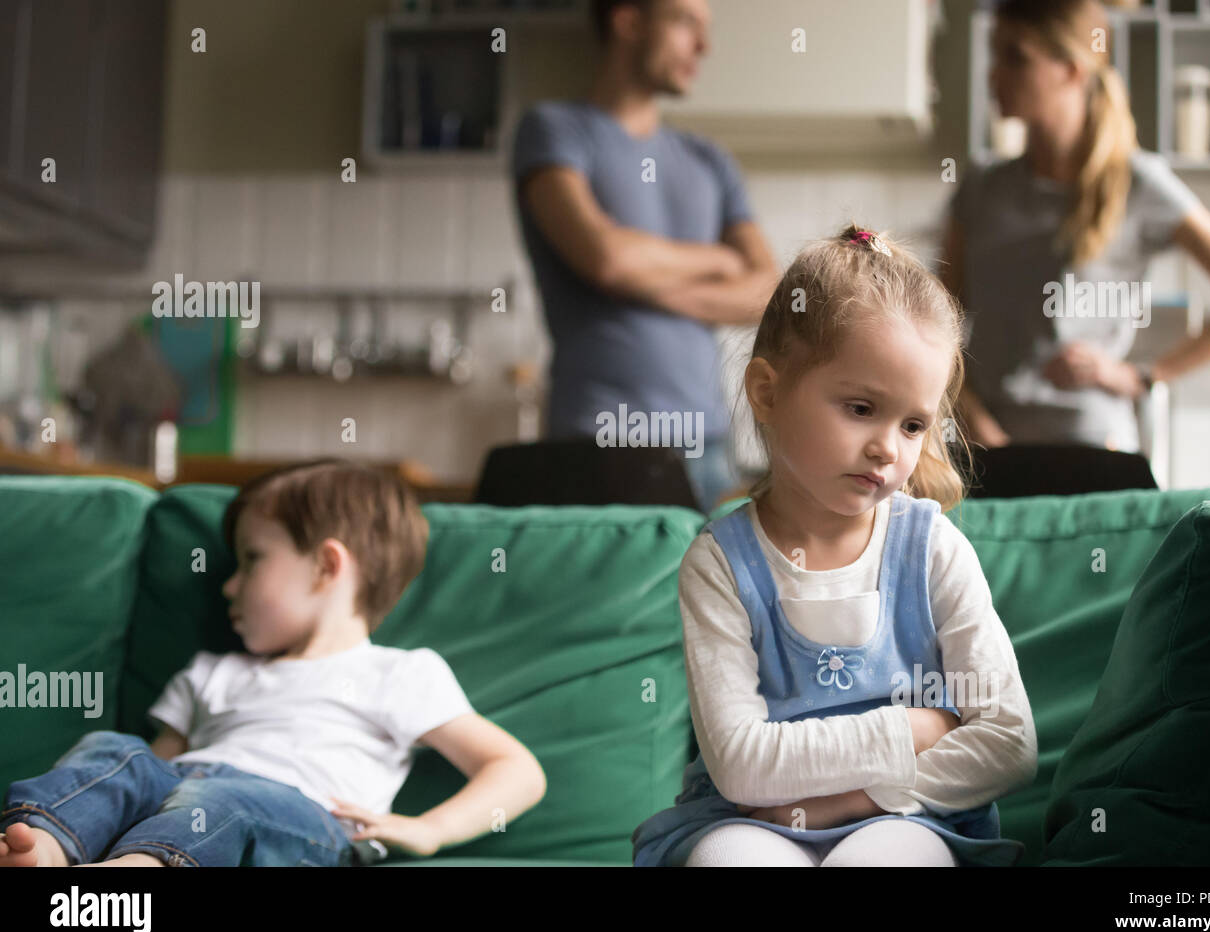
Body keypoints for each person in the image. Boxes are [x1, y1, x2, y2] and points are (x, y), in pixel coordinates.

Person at [631, 225, 1038, 866]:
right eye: (859, 408)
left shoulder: (933, 550)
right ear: (767, 392)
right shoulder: (718, 563)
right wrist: (909, 729)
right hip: (749, 820)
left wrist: (859, 798)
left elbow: (1010, 743)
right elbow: (740, 767)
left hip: (912, 815)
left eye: (912, 424)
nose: (888, 448)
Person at [0, 459, 545, 867]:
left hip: (298, 818)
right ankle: (42, 846)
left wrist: (431, 828)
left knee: (223, 800)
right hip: (186, 791)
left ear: (326, 566)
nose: (228, 586)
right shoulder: (214, 671)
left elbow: (516, 770)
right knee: (115, 749)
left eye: (252, 560)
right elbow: (152, 769)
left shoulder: (399, 674)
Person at [943, 0, 1210, 453]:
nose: (993, 75)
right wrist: (972, 418)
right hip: (982, 451)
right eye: (996, 55)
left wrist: (1141, 376)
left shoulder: (1139, 183)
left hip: (1092, 449)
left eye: (1015, 58)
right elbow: (938, 328)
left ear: (1071, 69)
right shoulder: (980, 187)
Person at [511, 0, 781, 513]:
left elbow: (768, 291)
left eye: (705, 30)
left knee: (713, 595)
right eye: (685, 24)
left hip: (710, 442)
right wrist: (718, 260)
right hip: (601, 436)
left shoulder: (710, 160)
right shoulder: (553, 130)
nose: (703, 47)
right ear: (629, 20)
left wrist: (643, 282)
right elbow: (606, 257)